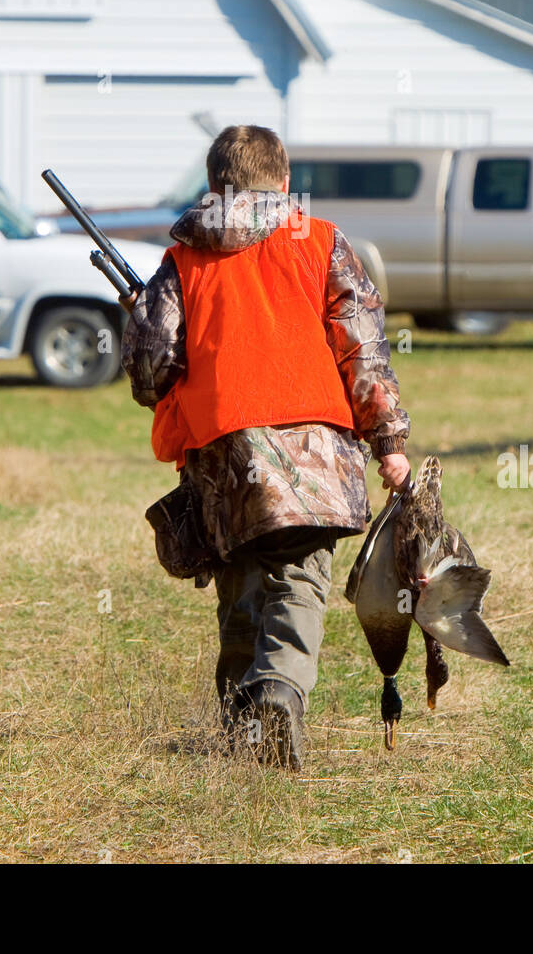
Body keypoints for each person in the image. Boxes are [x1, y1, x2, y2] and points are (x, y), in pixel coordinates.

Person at [121, 124, 410, 770]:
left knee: (241, 586)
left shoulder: (182, 260)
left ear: (215, 186)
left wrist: (138, 316)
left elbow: (151, 371)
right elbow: (361, 350)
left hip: (227, 454)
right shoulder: (324, 242)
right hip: (318, 449)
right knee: (298, 582)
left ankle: (239, 726)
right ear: (282, 183)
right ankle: (277, 692)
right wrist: (388, 441)